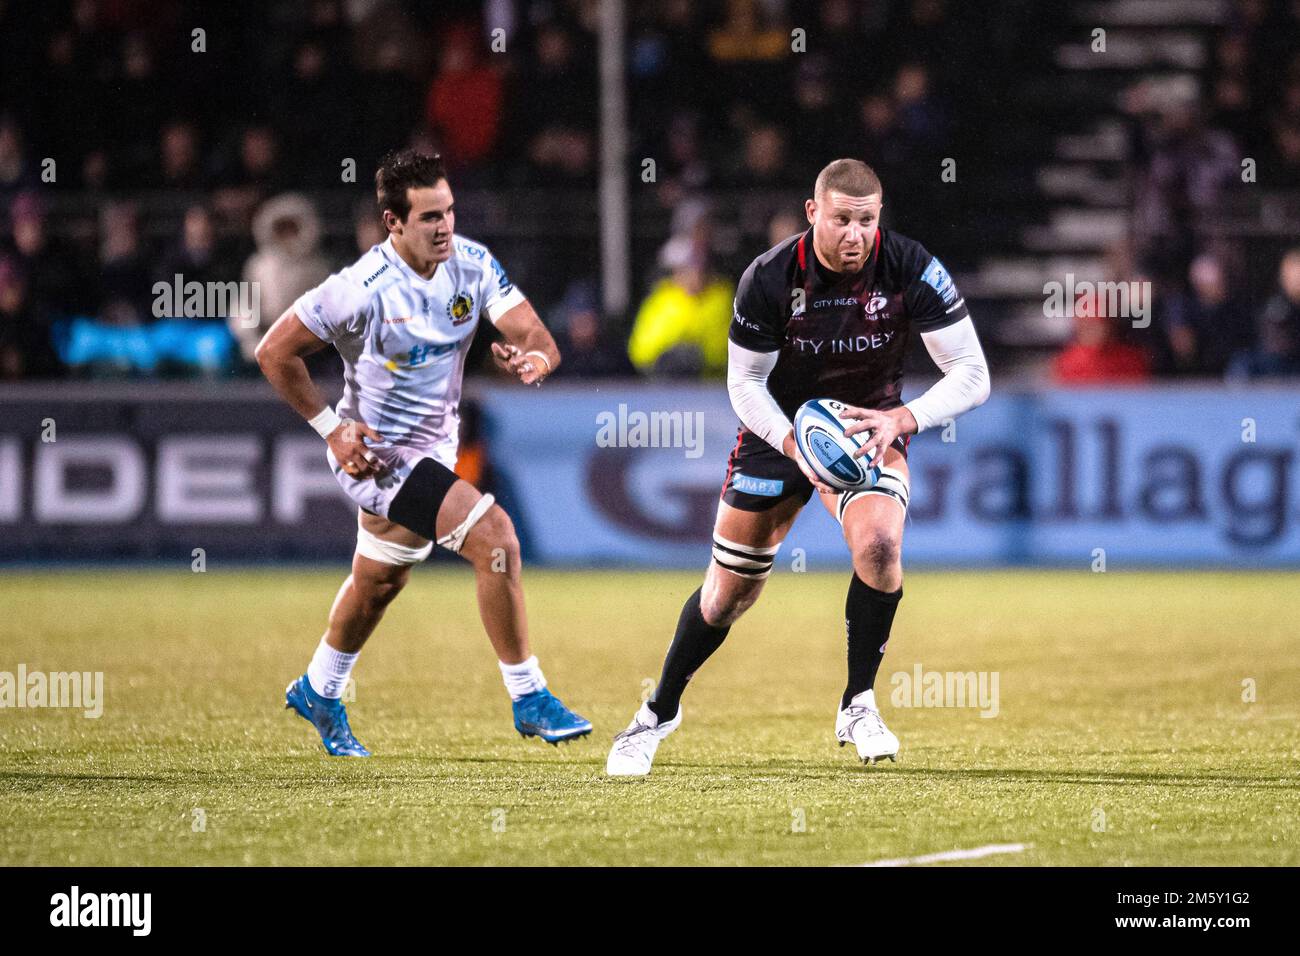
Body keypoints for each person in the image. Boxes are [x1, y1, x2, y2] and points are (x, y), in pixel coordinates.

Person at [606, 159, 990, 775]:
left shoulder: (911, 266)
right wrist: (792, 446)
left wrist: (903, 420)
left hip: (868, 427)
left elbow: (973, 374)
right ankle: (658, 711)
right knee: (726, 596)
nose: (855, 234)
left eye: (866, 221)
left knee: (881, 546)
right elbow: (745, 383)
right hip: (778, 430)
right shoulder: (770, 276)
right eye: (841, 219)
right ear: (814, 214)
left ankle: (858, 702)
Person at [255, 150, 591, 757]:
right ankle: (529, 696)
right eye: (430, 217)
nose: (445, 227)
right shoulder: (357, 290)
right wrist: (332, 429)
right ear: (393, 223)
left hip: (436, 451)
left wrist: (532, 361)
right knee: (497, 539)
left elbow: (538, 340)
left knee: (379, 580)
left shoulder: (473, 265)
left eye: (450, 212)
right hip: (375, 457)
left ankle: (319, 688)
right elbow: (275, 353)